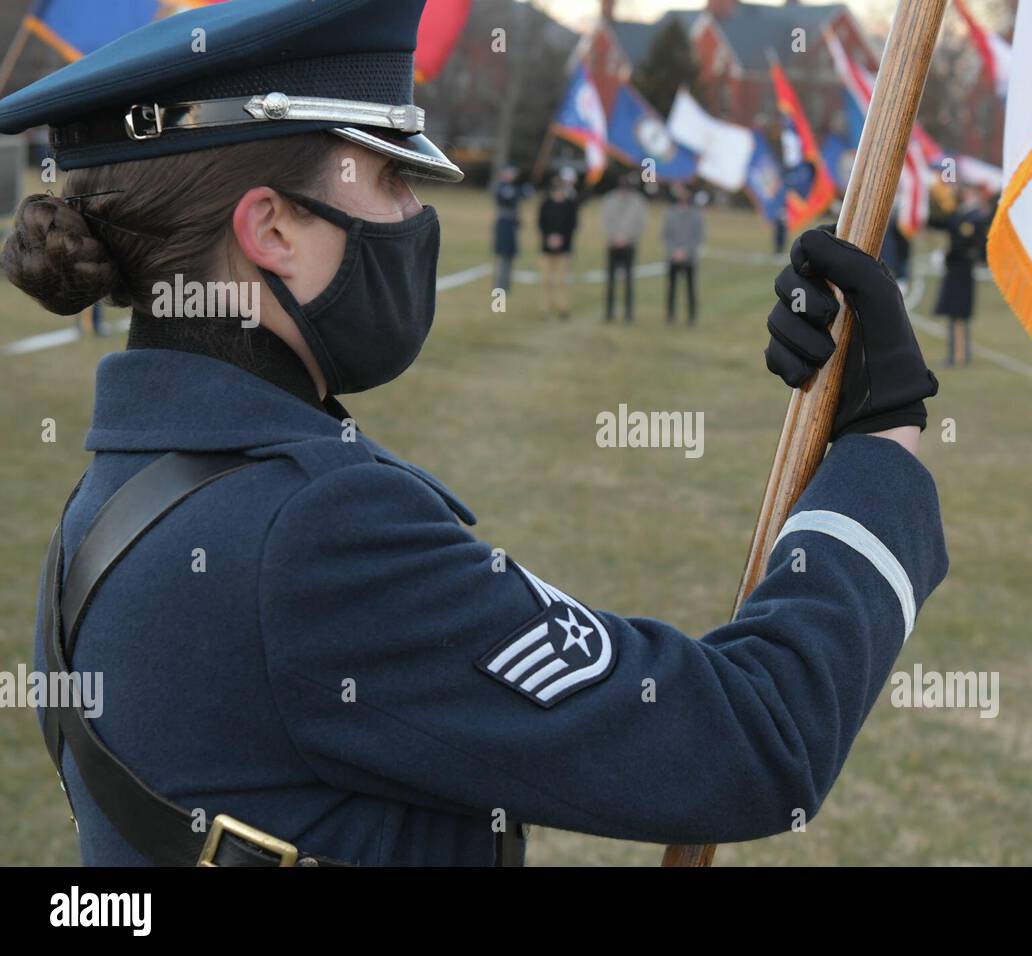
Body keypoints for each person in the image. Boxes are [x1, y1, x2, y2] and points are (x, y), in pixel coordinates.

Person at [0, 0, 946, 868]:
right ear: (272, 230)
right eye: (387, 176)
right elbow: (754, 742)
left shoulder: (110, 505)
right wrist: (881, 440)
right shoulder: (312, 532)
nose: (414, 217)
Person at [930, 184, 992, 367]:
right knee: (953, 314)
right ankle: (957, 354)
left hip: (962, 270)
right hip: (955, 269)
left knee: (958, 313)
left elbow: (966, 242)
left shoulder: (974, 218)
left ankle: (959, 355)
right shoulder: (961, 215)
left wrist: (947, 255)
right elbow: (939, 222)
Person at [600, 173, 646, 323]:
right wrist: (615, 237)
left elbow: (640, 224)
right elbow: (606, 220)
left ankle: (628, 314)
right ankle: (609, 313)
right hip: (613, 244)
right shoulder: (609, 200)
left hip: (629, 245)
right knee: (611, 281)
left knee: (628, 282)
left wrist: (626, 238)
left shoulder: (638, 202)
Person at [536, 174, 578, 320]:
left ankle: (563, 308)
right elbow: (541, 224)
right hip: (547, 248)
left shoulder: (569, 205)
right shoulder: (546, 204)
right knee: (546, 280)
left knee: (561, 280)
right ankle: (545, 308)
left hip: (564, 249)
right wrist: (549, 238)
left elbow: (572, 225)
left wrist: (561, 239)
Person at [661, 184, 704, 325]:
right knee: (671, 289)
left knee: (690, 289)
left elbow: (698, 237)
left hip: (689, 258)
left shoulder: (696, 215)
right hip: (673, 257)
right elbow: (666, 235)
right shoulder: (670, 213)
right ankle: (670, 316)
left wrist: (685, 251)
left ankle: (692, 317)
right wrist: (674, 251)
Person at [491, 164, 528, 295]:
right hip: (504, 224)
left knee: (511, 255)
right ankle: (500, 286)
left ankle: (506, 285)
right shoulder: (501, 187)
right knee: (503, 256)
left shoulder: (516, 187)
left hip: (512, 225)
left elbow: (525, 196)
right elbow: (506, 199)